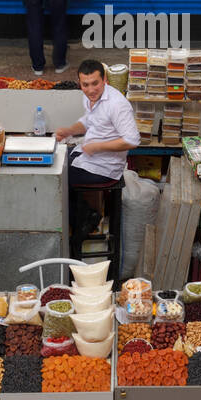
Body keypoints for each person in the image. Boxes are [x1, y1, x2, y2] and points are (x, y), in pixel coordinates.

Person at [55, 60, 140, 257]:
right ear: (80, 83)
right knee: (55, 160)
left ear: (105, 80)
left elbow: (132, 140)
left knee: (57, 179)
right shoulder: (90, 99)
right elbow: (89, 121)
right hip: (87, 155)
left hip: (105, 168)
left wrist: (98, 146)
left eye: (95, 83)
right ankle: (82, 217)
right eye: (85, 85)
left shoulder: (118, 105)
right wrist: (69, 130)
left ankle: (85, 222)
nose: (91, 89)